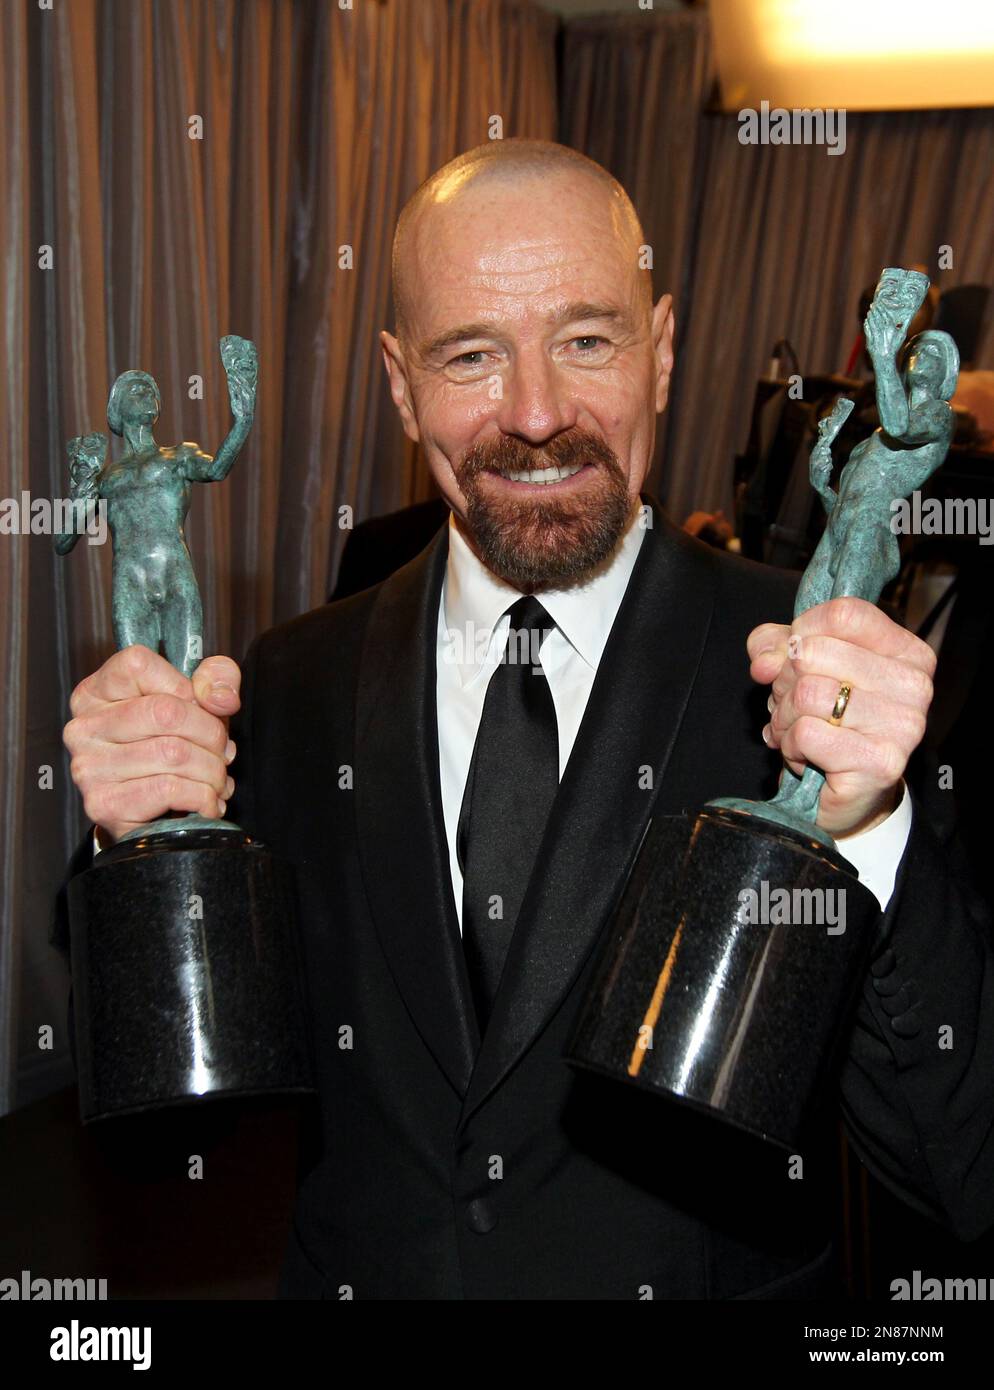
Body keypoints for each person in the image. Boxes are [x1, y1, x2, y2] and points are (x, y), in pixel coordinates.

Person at [58, 140, 994, 1299]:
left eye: (586, 340)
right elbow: (155, 1150)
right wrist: (131, 837)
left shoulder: (830, 677)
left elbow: (961, 1172)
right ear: (401, 385)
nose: (538, 412)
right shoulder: (286, 683)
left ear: (662, 350)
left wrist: (870, 829)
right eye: (471, 355)